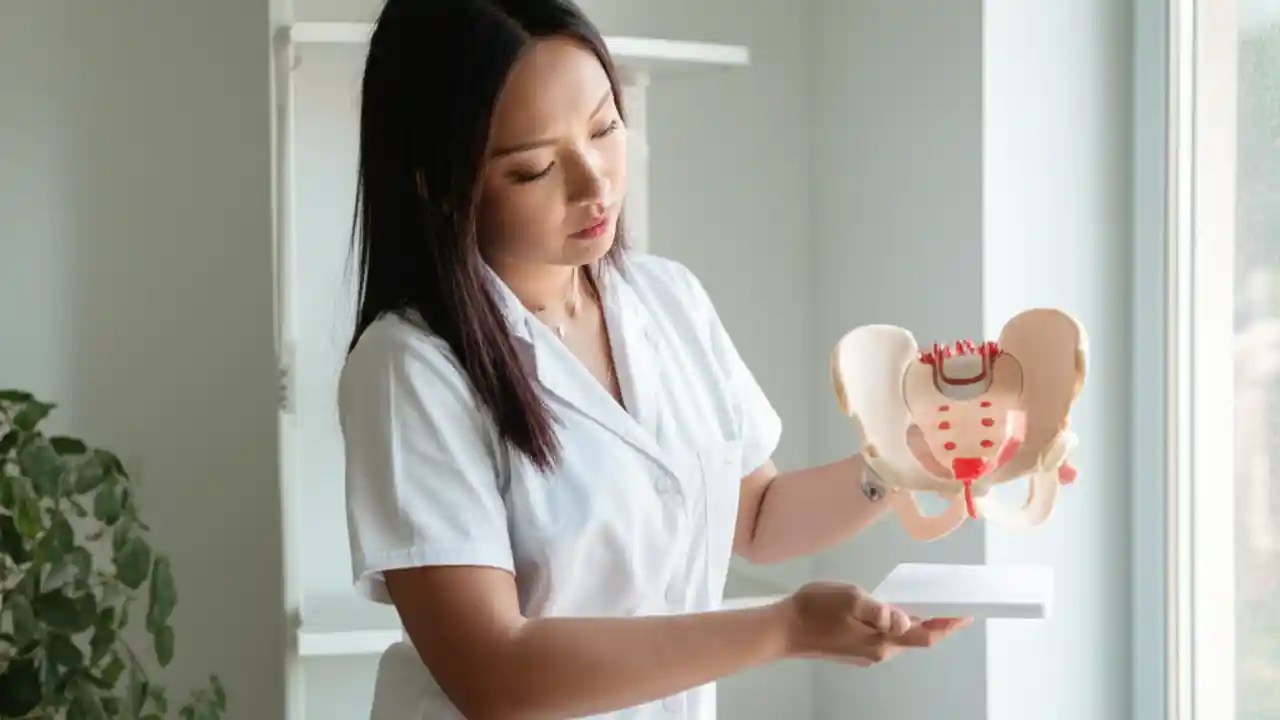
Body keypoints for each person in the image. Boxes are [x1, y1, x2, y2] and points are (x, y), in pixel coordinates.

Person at [337, 1, 971, 717]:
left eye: (605, 127)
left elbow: (756, 516)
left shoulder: (666, 298)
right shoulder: (410, 368)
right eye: (536, 168)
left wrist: (910, 457)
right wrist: (783, 627)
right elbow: (496, 673)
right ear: (435, 180)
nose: (594, 183)